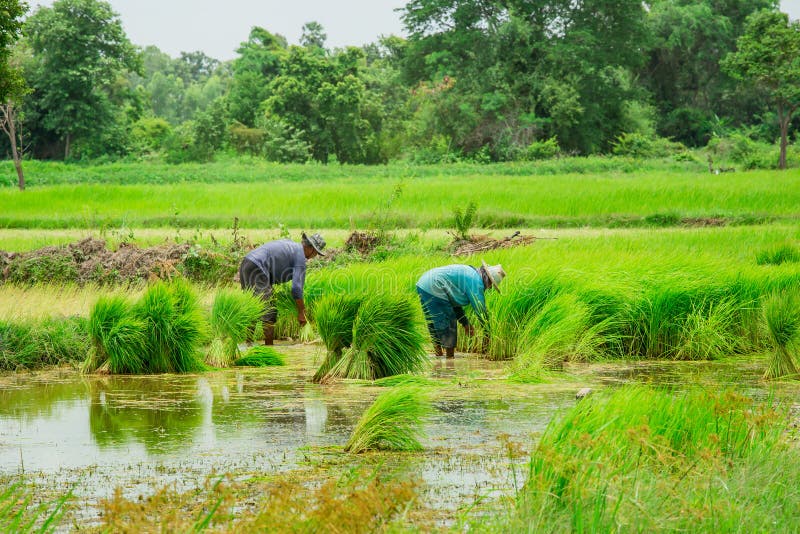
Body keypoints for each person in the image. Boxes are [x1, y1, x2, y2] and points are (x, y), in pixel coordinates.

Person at [239, 232, 326, 345]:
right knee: (269, 311)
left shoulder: (292, 246)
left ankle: (248, 345)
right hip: (258, 267)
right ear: (311, 249)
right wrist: (301, 312)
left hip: (247, 263)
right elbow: (296, 288)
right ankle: (269, 349)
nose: (315, 256)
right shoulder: (300, 256)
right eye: (316, 253)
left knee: (254, 307)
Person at [415, 260, 506, 358]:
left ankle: (438, 355)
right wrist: (488, 333)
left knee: (433, 321)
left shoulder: (470, 272)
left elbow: (454, 303)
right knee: (448, 321)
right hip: (434, 284)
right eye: (490, 285)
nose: (489, 288)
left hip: (423, 283)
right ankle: (450, 360)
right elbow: (481, 310)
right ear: (488, 280)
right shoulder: (476, 281)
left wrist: (465, 323)